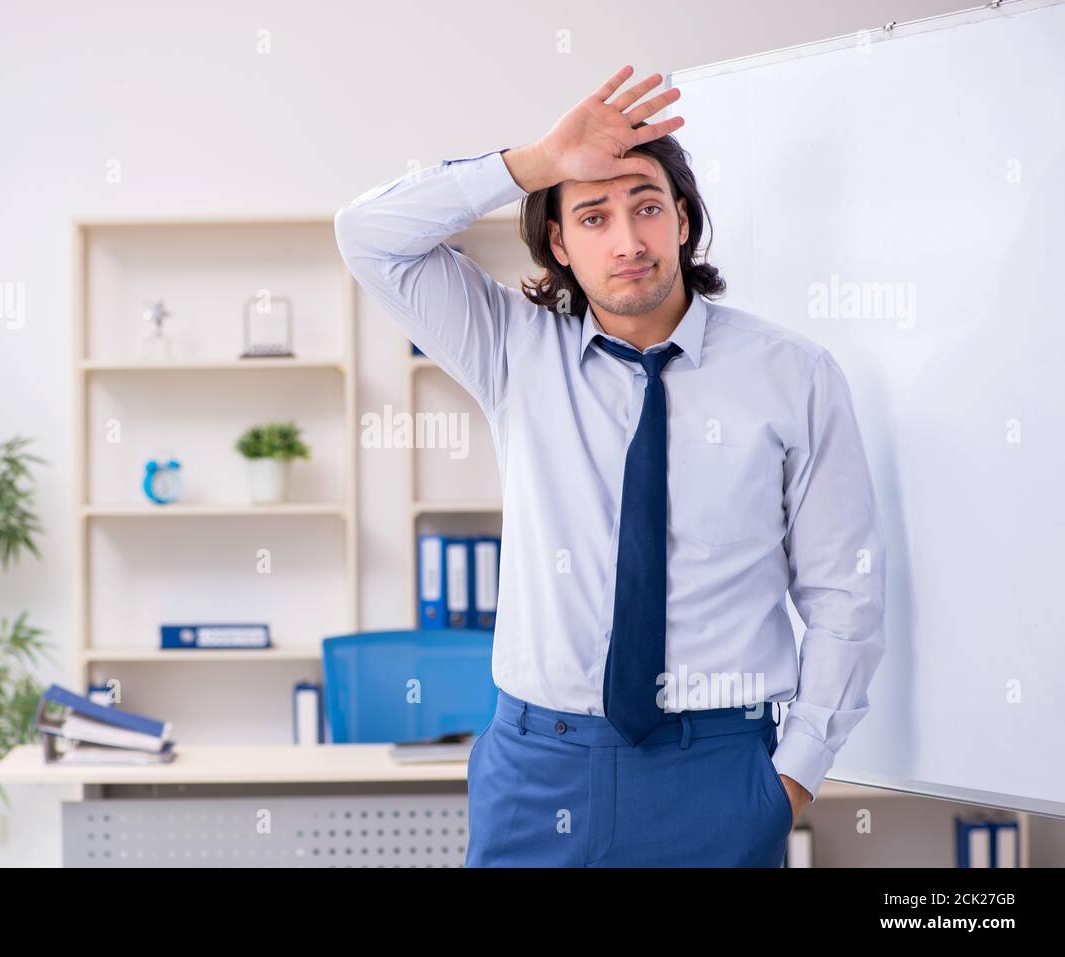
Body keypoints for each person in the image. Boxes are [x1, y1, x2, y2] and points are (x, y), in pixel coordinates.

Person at [334, 65, 886, 867]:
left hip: (719, 772)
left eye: (647, 207)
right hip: (537, 770)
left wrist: (791, 778)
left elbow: (846, 592)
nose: (627, 241)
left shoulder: (792, 375)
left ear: (684, 221)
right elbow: (367, 235)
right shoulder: (512, 348)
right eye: (593, 215)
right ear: (558, 241)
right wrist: (538, 161)